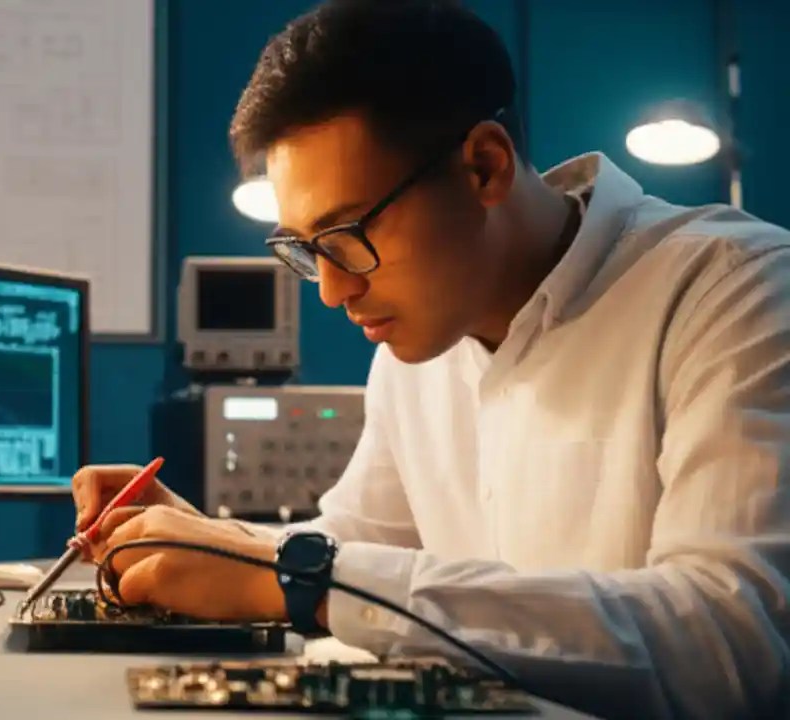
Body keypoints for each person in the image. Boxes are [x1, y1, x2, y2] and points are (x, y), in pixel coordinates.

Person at [69, 1, 790, 718]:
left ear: (484, 167)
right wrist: (210, 544)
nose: (331, 289)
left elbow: (730, 641)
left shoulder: (737, 289)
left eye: (346, 232)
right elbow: (350, 551)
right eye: (304, 248)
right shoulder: (417, 352)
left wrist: (294, 576)